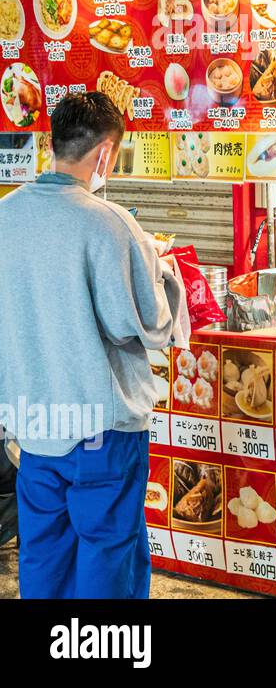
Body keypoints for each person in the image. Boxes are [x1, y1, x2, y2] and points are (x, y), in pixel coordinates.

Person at [0, 92, 185, 598]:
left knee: (44, 557)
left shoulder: (5, 216)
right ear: (105, 153)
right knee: (109, 557)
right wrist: (160, 269)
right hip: (100, 432)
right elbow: (148, 323)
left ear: (52, 142)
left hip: (34, 430)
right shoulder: (109, 221)